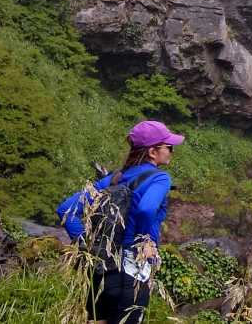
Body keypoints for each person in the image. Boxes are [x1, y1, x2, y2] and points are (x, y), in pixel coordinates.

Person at [57, 120, 184, 324]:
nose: (171, 151)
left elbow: (65, 210)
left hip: (99, 269)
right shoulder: (160, 179)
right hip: (131, 272)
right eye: (168, 146)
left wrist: (85, 244)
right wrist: (144, 242)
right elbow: (146, 208)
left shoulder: (113, 178)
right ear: (152, 152)